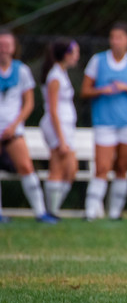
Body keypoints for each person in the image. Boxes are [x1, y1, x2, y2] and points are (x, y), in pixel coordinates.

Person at [80, 22, 127, 220]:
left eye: (120, 37)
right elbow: (85, 90)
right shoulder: (98, 61)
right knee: (102, 167)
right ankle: (91, 211)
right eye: (112, 37)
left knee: (122, 167)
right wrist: (102, 90)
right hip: (104, 122)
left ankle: (115, 212)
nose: (115, 41)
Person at [0, 29, 59, 223]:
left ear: (14, 47)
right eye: (2, 44)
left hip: (13, 130)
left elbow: (29, 103)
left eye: (8, 45)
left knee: (26, 166)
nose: (5, 49)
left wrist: (14, 125)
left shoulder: (22, 70)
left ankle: (40, 212)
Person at [39, 38, 81, 217]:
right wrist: (61, 139)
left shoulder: (61, 73)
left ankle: (53, 209)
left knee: (71, 169)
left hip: (65, 128)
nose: (77, 57)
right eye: (75, 53)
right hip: (57, 128)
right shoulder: (54, 77)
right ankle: (51, 212)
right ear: (66, 55)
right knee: (57, 168)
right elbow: (53, 110)